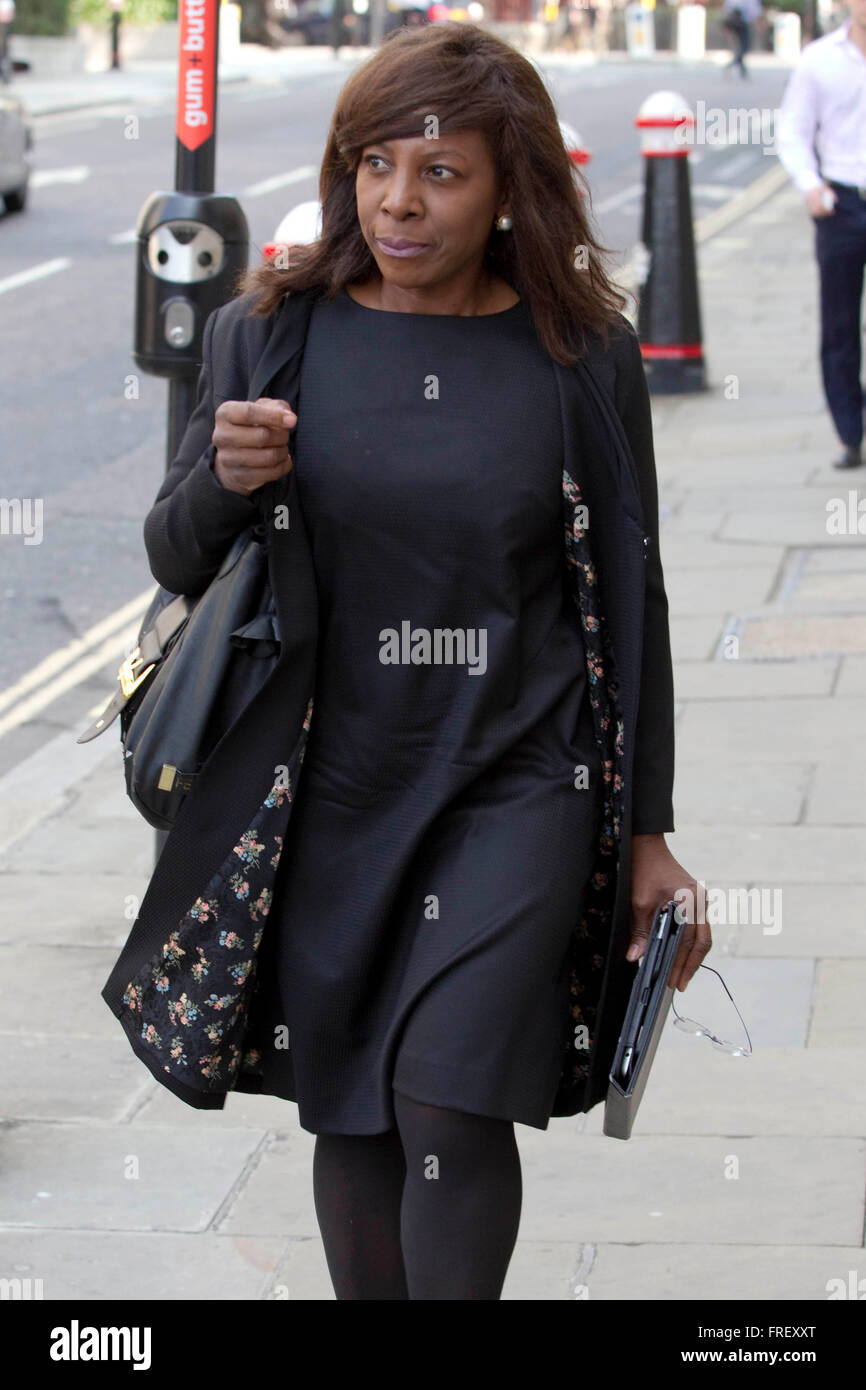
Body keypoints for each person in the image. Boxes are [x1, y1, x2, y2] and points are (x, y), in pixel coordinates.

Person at [117, 23, 709, 1301]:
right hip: (332, 787)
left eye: (440, 172)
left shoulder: (577, 355)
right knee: (356, 1112)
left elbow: (634, 593)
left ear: (509, 189)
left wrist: (649, 831)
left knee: (448, 1103)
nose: (397, 199)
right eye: (375, 162)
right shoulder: (270, 335)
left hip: (518, 786)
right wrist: (223, 480)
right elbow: (174, 556)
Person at [776, 0, 866, 469]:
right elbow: (791, 129)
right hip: (842, 204)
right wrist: (810, 186)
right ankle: (851, 431)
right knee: (840, 325)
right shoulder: (819, 60)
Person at [721, 0, 761, 77]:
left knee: (741, 46)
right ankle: (732, 64)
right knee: (744, 46)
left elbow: (727, 7)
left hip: (736, 21)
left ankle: (742, 68)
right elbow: (754, 10)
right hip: (742, 22)